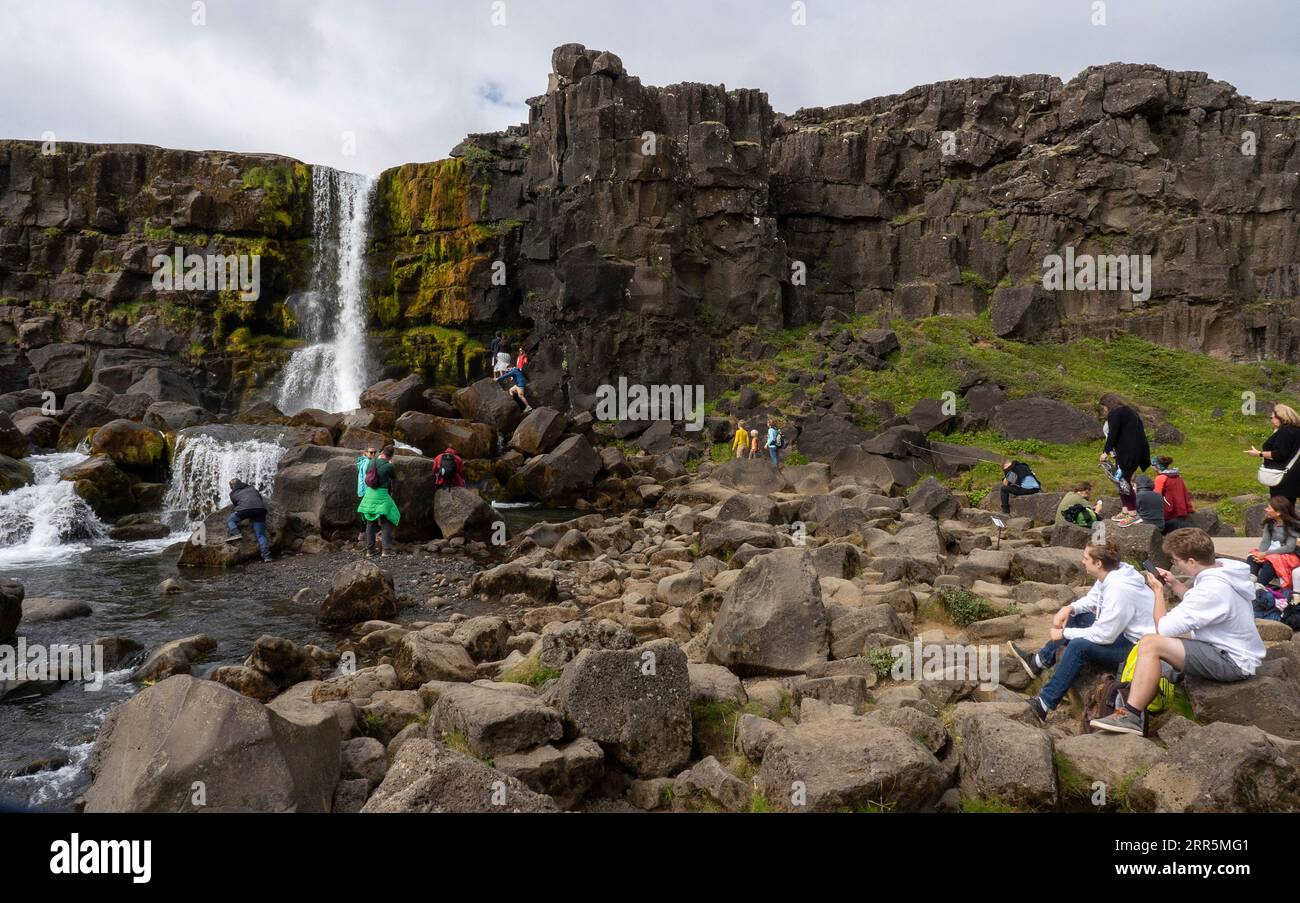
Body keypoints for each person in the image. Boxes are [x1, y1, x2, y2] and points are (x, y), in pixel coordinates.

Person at [1091, 528, 1265, 736]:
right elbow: (1199, 602)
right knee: (1158, 656)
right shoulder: (1223, 571)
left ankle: (1132, 715)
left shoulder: (1212, 589)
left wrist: (1158, 591)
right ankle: (1133, 702)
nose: (1176, 563)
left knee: (1150, 643)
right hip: (1229, 649)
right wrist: (1175, 584)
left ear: (1191, 562)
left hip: (1232, 661)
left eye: (1177, 560)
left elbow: (1163, 628)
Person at [1008, 541, 1155, 720]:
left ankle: (1044, 703)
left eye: (1086, 558)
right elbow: (1092, 600)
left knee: (1079, 646)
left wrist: (1064, 634)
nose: (1082, 561)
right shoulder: (1113, 573)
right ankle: (1038, 662)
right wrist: (1069, 609)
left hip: (1137, 648)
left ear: (1098, 563)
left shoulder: (1119, 589)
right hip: (1123, 633)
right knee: (1077, 616)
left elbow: (1104, 635)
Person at [1099, 393, 1151, 519]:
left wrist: (1106, 452)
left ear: (1108, 404)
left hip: (1127, 454)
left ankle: (1132, 513)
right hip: (1137, 451)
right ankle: (1125, 510)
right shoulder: (1130, 411)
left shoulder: (1115, 413)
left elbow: (1113, 434)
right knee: (1121, 480)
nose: (1104, 409)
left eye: (1104, 406)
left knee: (1123, 482)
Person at [1247, 403, 1300, 504]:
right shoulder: (1296, 430)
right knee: (1288, 508)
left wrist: (1259, 454)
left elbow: (1280, 454)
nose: (1271, 420)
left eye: (1271, 417)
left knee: (1280, 510)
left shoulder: (1285, 431)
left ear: (1280, 417)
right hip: (1292, 475)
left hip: (1282, 478)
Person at [357, 445, 400, 558]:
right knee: (386, 521)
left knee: (371, 522)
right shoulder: (389, 466)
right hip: (382, 495)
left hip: (370, 493)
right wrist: (390, 465)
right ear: (391, 456)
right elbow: (394, 477)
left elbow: (367, 473)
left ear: (381, 452)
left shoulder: (372, 461)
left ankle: (370, 550)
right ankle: (386, 550)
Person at [1249, 495, 1300, 589]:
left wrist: (1265, 554)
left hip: (1288, 555)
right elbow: (1265, 542)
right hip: (1272, 552)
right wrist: (1260, 554)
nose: (1266, 509)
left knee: (1272, 561)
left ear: (1278, 512)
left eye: (1269, 508)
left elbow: (1289, 547)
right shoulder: (1270, 523)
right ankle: (1252, 577)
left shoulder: (1293, 525)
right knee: (1252, 555)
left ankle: (1259, 585)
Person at [223, 478, 272, 562]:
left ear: (232, 486)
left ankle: (236, 534)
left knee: (231, 520)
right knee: (260, 535)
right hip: (260, 510)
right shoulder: (252, 488)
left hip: (245, 510)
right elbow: (259, 498)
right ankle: (267, 557)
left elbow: (236, 505)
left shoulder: (233, 493)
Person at [1153, 455, 1194, 532]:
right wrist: (1189, 508)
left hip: (1168, 512)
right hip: (1181, 509)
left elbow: (1156, 496)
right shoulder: (1177, 476)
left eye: (1153, 465)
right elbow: (1184, 492)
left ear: (1157, 466)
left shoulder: (1160, 478)